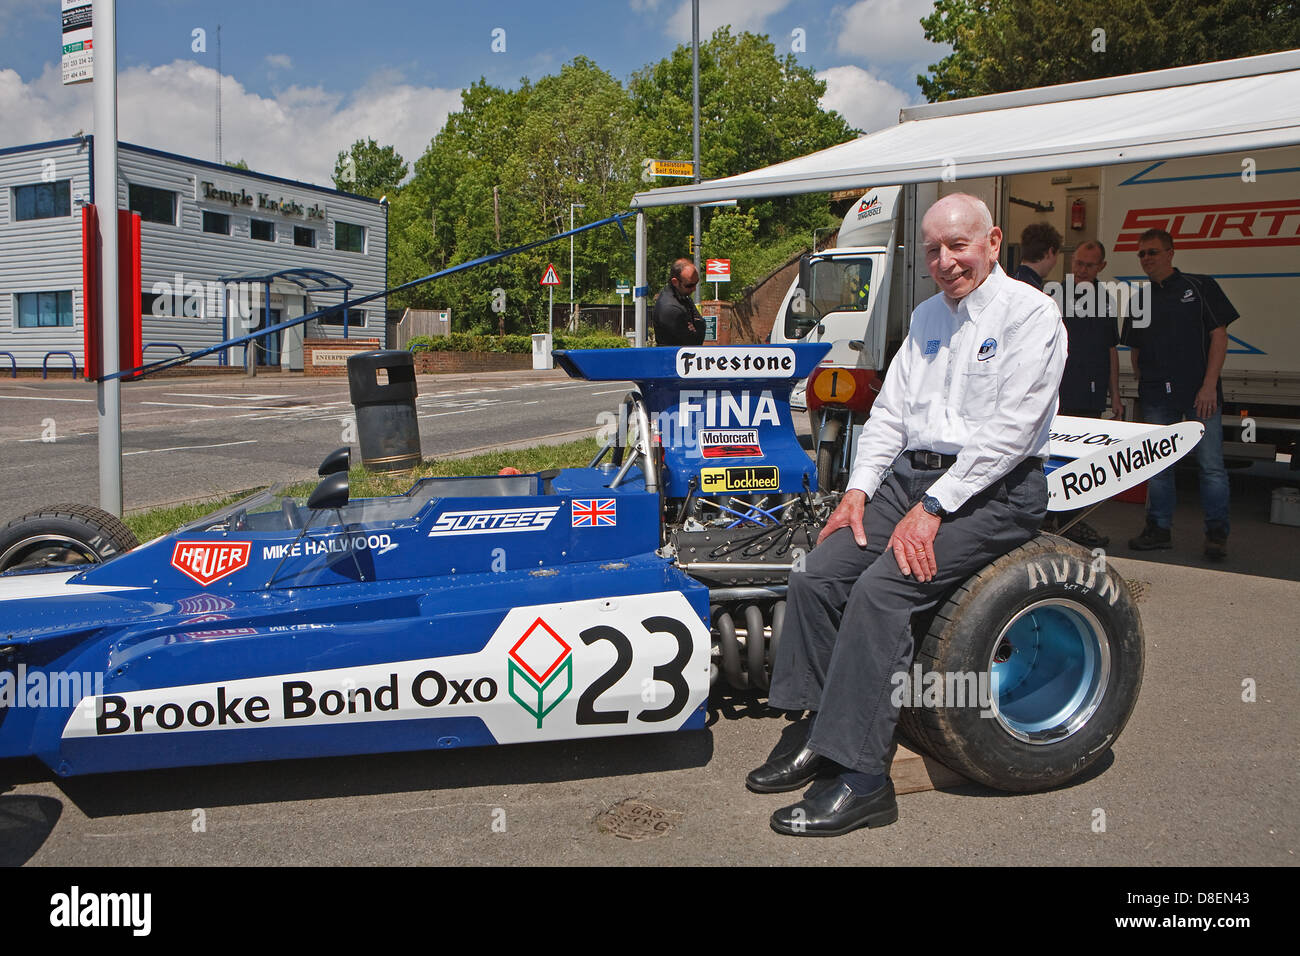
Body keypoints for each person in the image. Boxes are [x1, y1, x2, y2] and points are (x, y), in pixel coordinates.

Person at [749, 194, 1065, 837]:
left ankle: (865, 780)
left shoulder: (1032, 315)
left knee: (881, 592)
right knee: (816, 574)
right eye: (932, 251)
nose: (945, 262)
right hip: (911, 481)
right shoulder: (925, 317)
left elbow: (1011, 432)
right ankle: (816, 724)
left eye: (959, 246)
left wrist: (933, 507)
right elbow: (890, 415)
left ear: (993, 241)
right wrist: (858, 492)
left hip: (994, 488)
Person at [1122, 229, 1237, 560]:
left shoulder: (1200, 287)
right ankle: (1158, 530)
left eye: (1153, 252)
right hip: (1158, 395)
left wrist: (1209, 385)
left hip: (1201, 394)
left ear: (1171, 253)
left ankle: (1216, 536)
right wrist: (1146, 385)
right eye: (1141, 253)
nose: (1146, 259)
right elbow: (1136, 349)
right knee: (1159, 467)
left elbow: (1219, 336)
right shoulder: (1139, 299)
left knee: (1211, 466)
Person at [1047, 239, 1122, 548]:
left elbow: (1111, 351)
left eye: (1089, 265)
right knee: (1049, 457)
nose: (1081, 270)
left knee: (1080, 462)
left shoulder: (1105, 300)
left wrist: (1115, 395)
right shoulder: (1054, 295)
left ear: (1101, 267)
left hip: (1089, 395)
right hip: (1056, 392)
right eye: (1078, 263)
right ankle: (1045, 518)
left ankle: (1071, 523)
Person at [652, 258, 705, 346]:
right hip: (671, 357)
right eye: (689, 285)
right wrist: (699, 325)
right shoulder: (670, 308)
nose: (694, 289)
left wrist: (698, 324)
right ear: (675, 282)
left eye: (696, 283)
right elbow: (695, 341)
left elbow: (701, 323)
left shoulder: (682, 296)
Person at [1012, 222, 1062, 291]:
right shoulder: (1034, 291)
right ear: (1050, 252)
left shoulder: (1010, 281)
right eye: (1057, 255)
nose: (1056, 262)